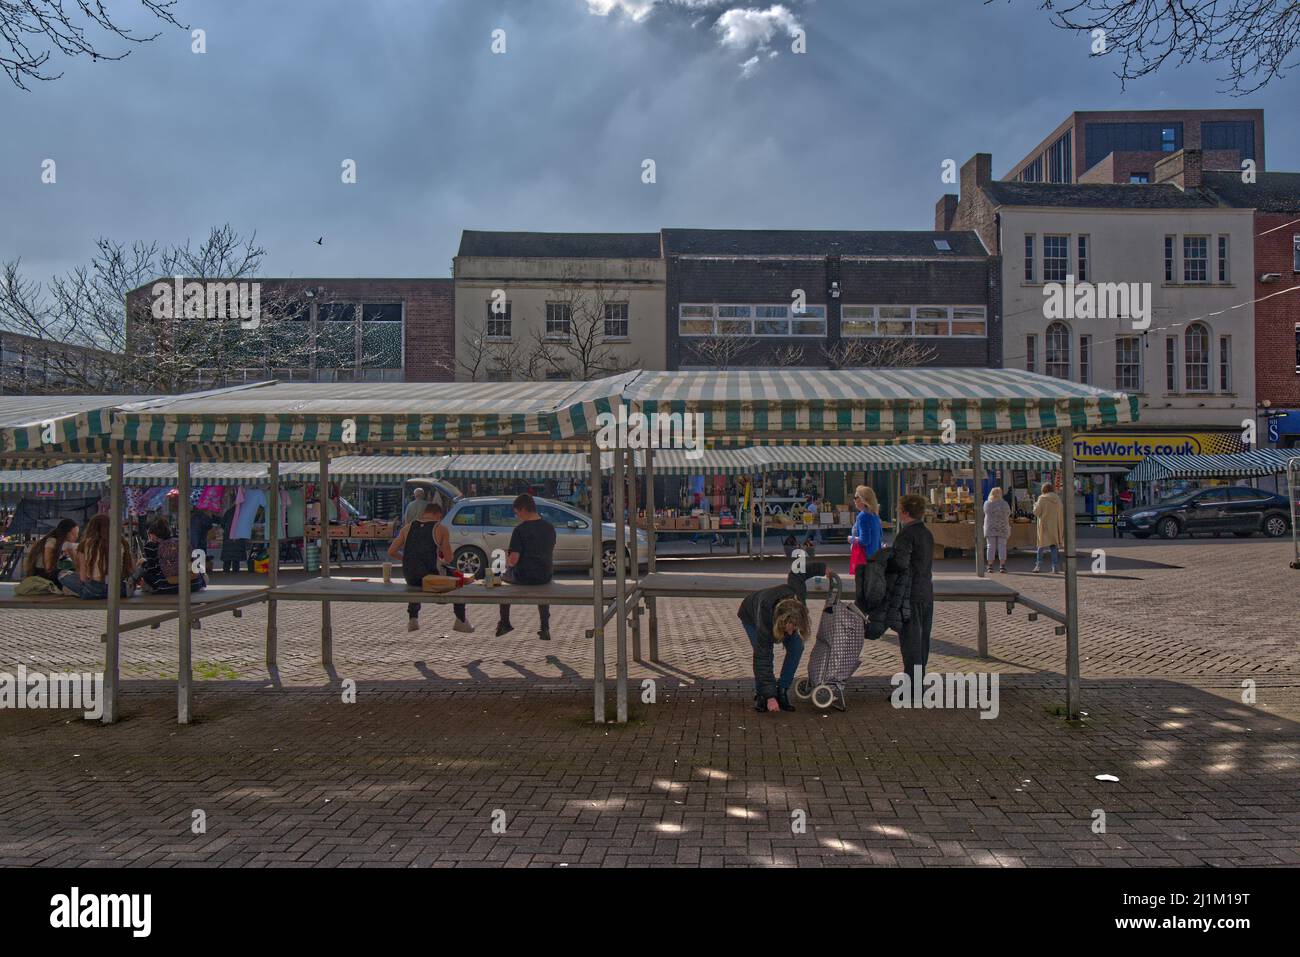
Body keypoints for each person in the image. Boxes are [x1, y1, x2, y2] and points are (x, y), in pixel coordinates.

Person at [388, 500, 471, 634]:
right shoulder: (440, 528)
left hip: (410, 576)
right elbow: (449, 558)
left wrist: (407, 559)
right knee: (458, 579)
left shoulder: (407, 527)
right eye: (440, 517)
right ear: (437, 514)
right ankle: (461, 620)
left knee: (416, 582)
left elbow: (391, 551)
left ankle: (413, 618)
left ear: (424, 513)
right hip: (430, 576)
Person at [738, 572, 812, 713]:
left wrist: (822, 569)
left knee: (797, 646)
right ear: (781, 622)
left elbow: (797, 574)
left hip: (778, 613)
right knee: (763, 651)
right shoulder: (765, 615)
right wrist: (770, 696)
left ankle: (782, 690)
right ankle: (762, 695)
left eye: (794, 628)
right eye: (788, 628)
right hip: (751, 615)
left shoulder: (798, 603)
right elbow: (763, 657)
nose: (790, 633)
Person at [885, 494, 935, 685]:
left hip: (909, 594)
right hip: (926, 591)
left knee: (911, 642)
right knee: (922, 642)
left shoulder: (906, 534)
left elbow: (900, 564)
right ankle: (917, 682)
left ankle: (912, 688)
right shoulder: (927, 533)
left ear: (904, 512)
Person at [496, 493, 556, 641]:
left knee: (503, 578)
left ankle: (504, 622)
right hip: (545, 575)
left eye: (517, 513)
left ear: (523, 509)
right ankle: (544, 626)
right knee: (542, 588)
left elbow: (514, 561)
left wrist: (507, 558)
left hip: (524, 575)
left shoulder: (520, 530)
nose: (518, 517)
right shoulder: (550, 528)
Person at [60, 513, 134, 600]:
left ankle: (81, 592)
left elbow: (83, 578)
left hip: (95, 589)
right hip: (120, 589)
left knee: (62, 574)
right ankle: (80, 591)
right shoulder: (122, 542)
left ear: (91, 527)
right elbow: (130, 569)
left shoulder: (85, 544)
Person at [132, 518, 208, 594]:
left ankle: (129, 583)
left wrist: (143, 564)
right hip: (194, 583)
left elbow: (153, 569)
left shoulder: (151, 546)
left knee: (143, 570)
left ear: (152, 535)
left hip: (170, 585)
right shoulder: (180, 540)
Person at [23, 518, 79, 587]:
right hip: (42, 573)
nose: (76, 536)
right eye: (73, 534)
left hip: (52, 573)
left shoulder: (67, 544)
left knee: (73, 573)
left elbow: (77, 565)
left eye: (77, 534)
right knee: (65, 574)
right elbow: (48, 568)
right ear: (65, 533)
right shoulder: (51, 541)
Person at [848, 485, 882, 575]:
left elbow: (865, 540)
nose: (854, 500)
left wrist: (851, 539)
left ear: (862, 499)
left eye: (855, 497)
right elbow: (880, 537)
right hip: (875, 559)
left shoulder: (862, 516)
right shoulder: (874, 515)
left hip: (864, 560)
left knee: (863, 587)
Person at [1032, 482, 1065, 574]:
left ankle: (1038, 566)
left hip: (1044, 525)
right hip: (1054, 525)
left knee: (1041, 545)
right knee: (1054, 546)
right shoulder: (1057, 499)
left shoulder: (1041, 499)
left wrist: (1034, 505)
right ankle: (1055, 566)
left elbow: (1036, 512)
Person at [983, 486, 1012, 574]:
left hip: (990, 527)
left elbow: (985, 512)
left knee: (990, 546)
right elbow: (1008, 513)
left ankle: (990, 566)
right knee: (1002, 546)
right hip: (1002, 527)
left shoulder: (987, 503)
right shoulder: (1005, 504)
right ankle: (1002, 566)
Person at [220, 503, 247, 573]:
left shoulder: (229, 511)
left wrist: (227, 529)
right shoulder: (243, 512)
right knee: (236, 556)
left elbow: (222, 523)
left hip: (228, 535)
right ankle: (236, 570)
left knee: (227, 555)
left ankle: (226, 570)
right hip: (239, 536)